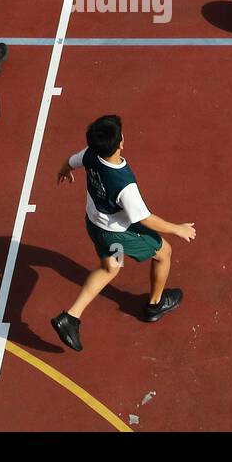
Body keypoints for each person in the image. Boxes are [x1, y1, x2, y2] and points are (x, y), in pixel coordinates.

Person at [50, 115, 196, 352]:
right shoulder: (124, 183)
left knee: (111, 268)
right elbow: (145, 219)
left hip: (95, 224)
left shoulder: (90, 154)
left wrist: (63, 170)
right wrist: (177, 228)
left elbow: (70, 161)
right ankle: (155, 305)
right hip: (119, 233)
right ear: (121, 143)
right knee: (164, 252)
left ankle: (70, 318)